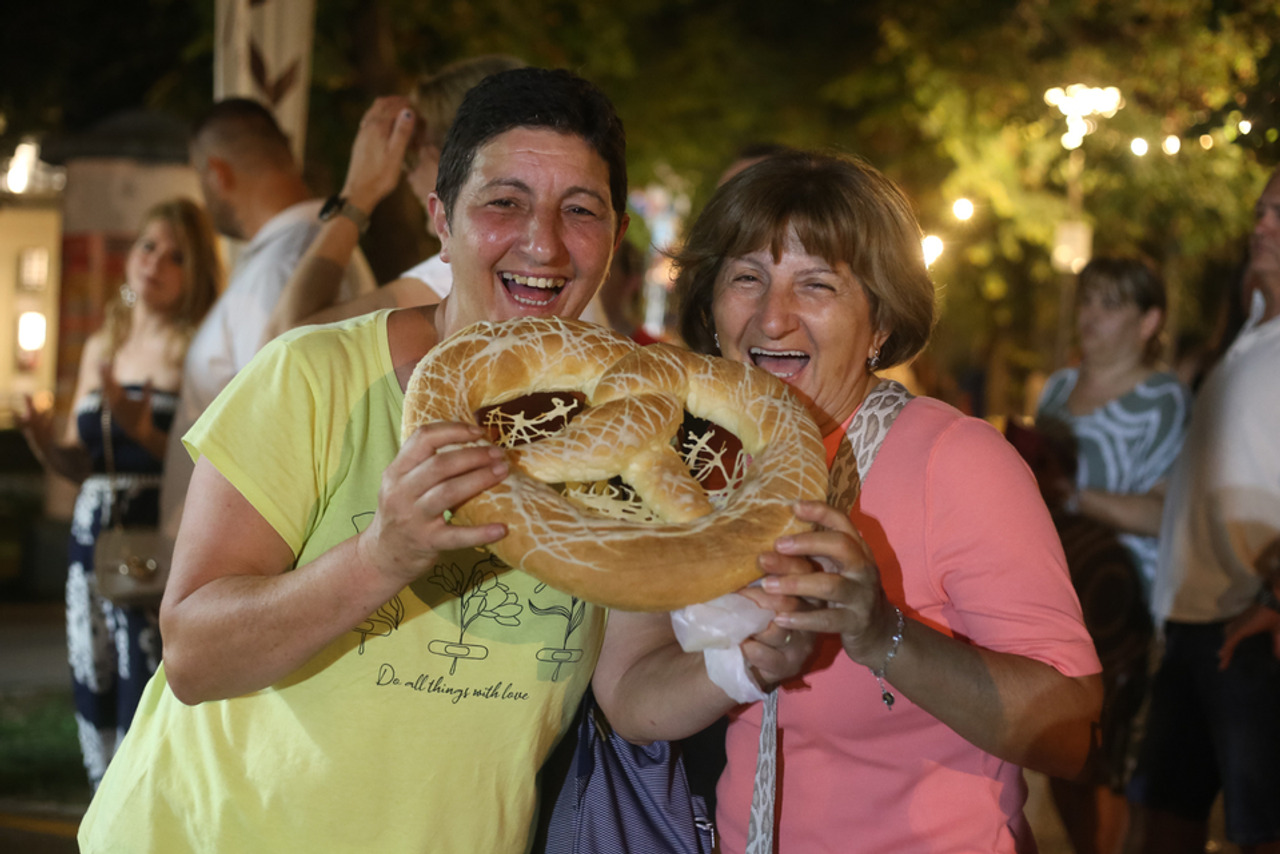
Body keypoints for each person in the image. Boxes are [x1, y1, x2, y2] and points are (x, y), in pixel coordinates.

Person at [78, 67, 636, 854]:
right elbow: (194, 655)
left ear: (613, 237)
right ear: (441, 219)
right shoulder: (312, 375)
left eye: (580, 210)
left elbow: (634, 691)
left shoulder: (627, 437)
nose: (543, 242)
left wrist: (751, 656)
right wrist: (383, 557)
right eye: (503, 203)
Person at [592, 151, 1103, 853]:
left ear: (882, 323)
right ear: (710, 309)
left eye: (816, 285)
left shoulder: (956, 462)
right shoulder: (688, 463)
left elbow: (1072, 735)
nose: (773, 319)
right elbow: (629, 696)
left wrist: (882, 634)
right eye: (747, 278)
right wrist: (743, 666)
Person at [18, 199, 222, 789]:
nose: (155, 262)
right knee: (96, 672)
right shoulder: (102, 346)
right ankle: (102, 802)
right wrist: (41, 442)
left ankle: (147, 802)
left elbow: (205, 459)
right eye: (148, 246)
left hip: (157, 530)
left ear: (196, 275)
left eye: (175, 256)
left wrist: (139, 423)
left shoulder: (196, 348)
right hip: (92, 538)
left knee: (148, 675)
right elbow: (82, 463)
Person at [1127, 167, 1280, 854]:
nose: (1262, 225)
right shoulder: (1249, 335)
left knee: (1259, 830)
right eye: (1261, 210)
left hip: (1253, 627)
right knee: (1161, 818)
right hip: (1193, 617)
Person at [157, 97, 377, 544]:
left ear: (217, 174)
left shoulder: (288, 263)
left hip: (238, 550)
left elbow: (274, 419)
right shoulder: (312, 249)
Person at [1032, 257, 1190, 853]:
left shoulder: (1163, 400)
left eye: (1111, 305)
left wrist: (1075, 496)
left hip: (1119, 603)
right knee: (1058, 748)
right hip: (1054, 585)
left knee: (1107, 753)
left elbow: (1162, 512)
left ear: (1150, 321)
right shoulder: (1059, 388)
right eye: (1089, 301)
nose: (1090, 317)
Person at [261, 54, 527, 336]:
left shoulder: (452, 279)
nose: (408, 176)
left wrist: (358, 194)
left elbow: (282, 343)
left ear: (448, 160)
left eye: (411, 158)